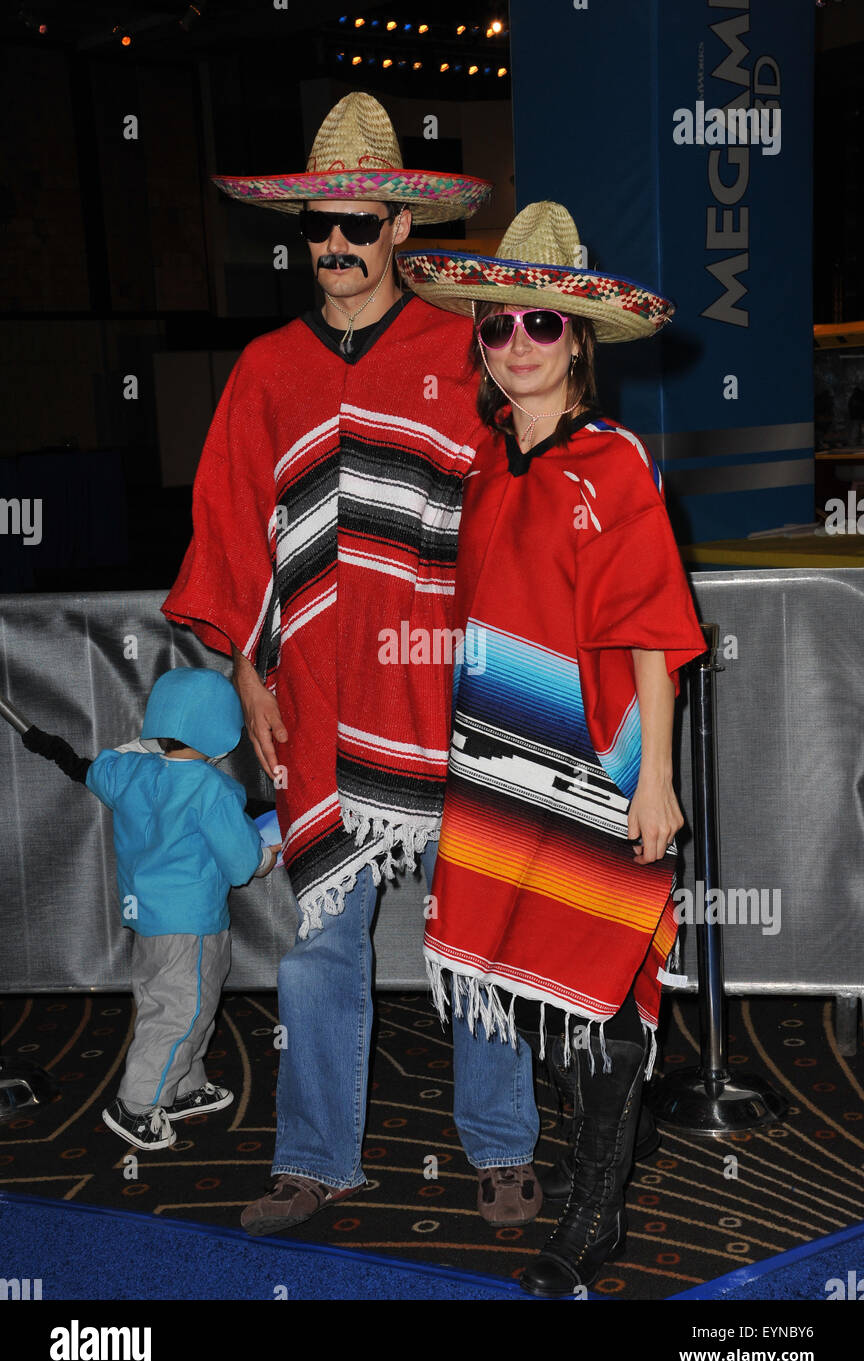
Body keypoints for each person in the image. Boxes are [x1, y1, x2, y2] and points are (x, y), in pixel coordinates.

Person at [162, 92, 541, 1232]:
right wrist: (242, 672)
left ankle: (504, 1147)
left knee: (476, 928)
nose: (336, 244)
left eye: (359, 223)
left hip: (447, 691)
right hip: (320, 702)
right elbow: (231, 532)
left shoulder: (461, 351)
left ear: (400, 230)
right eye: (321, 225)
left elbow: (508, 514)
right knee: (321, 939)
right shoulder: (265, 371)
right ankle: (315, 1158)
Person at [398, 202, 706, 1296]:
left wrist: (657, 778)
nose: (518, 344)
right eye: (498, 327)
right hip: (505, 765)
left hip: (609, 763)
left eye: (541, 323)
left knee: (612, 989)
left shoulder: (613, 465)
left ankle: (593, 1214)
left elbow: (656, 635)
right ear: (479, 342)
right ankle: (612, 1152)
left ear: (578, 341)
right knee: (558, 994)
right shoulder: (482, 469)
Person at [88, 668, 278, 1150]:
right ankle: (135, 1105)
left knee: (169, 1005)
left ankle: (184, 1087)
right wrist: (265, 854)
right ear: (222, 733)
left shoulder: (130, 773)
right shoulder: (213, 789)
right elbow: (240, 866)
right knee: (184, 1012)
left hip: (147, 921)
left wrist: (151, 744)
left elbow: (100, 767)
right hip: (192, 924)